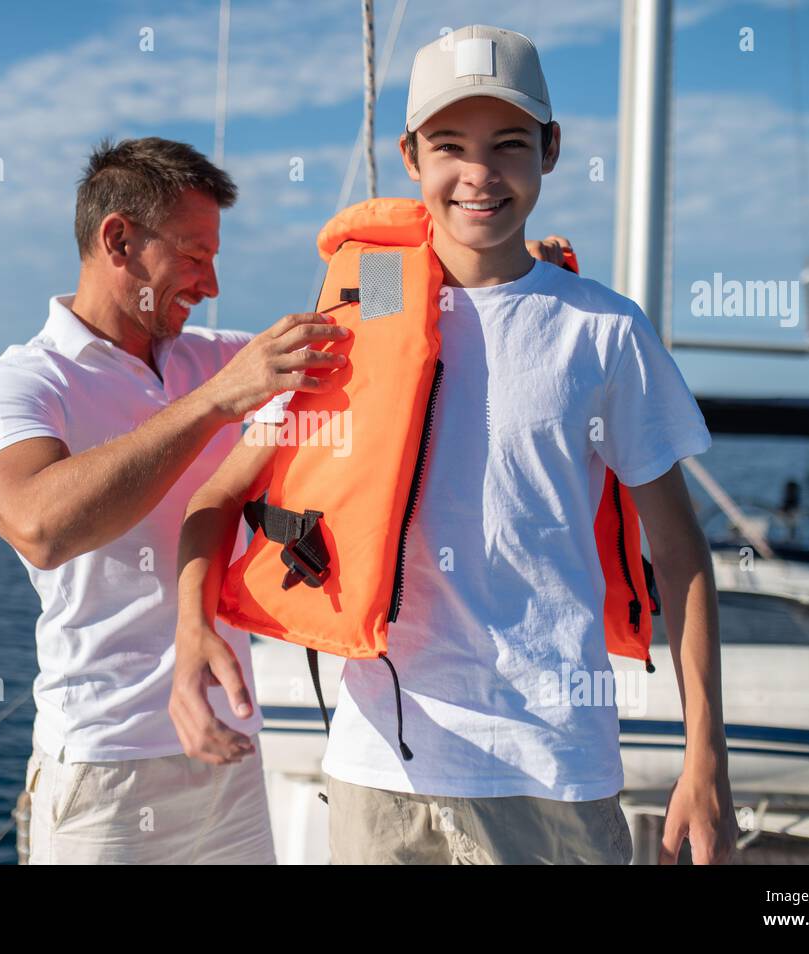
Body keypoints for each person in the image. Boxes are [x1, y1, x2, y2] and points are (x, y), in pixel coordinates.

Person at [170, 26, 739, 865]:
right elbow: (217, 497)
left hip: (552, 779)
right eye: (449, 147)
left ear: (550, 149)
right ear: (409, 156)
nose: (479, 174)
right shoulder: (352, 320)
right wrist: (191, 636)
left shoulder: (605, 331)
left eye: (510, 145)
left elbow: (684, 554)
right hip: (379, 780)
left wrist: (707, 759)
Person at [0, 133, 584, 863]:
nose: (213, 283)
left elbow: (373, 323)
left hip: (228, 757)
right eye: (195, 256)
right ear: (118, 240)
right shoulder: (26, 384)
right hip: (103, 770)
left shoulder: (217, 355)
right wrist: (214, 403)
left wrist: (499, 269)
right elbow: (40, 526)